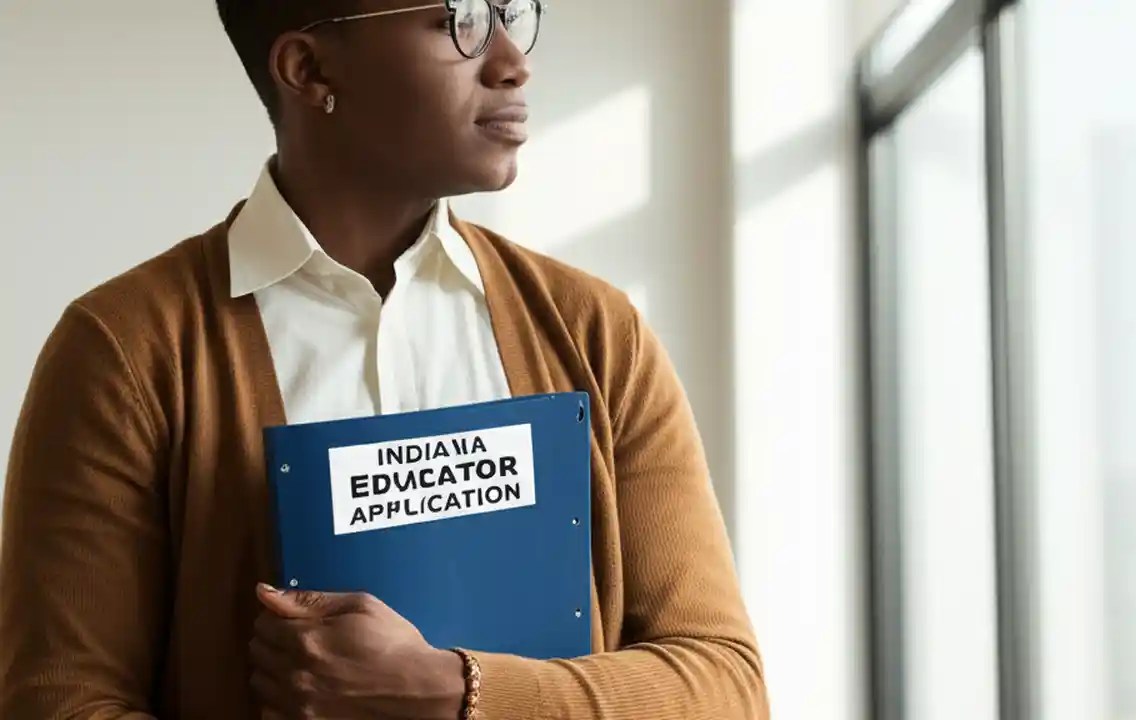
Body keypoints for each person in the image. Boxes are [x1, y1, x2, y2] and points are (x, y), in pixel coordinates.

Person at [0, 1, 768, 718]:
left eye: (510, 13)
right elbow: (60, 700)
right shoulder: (126, 350)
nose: (510, 61)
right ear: (310, 71)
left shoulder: (595, 332)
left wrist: (453, 690)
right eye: (458, 21)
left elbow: (724, 683)